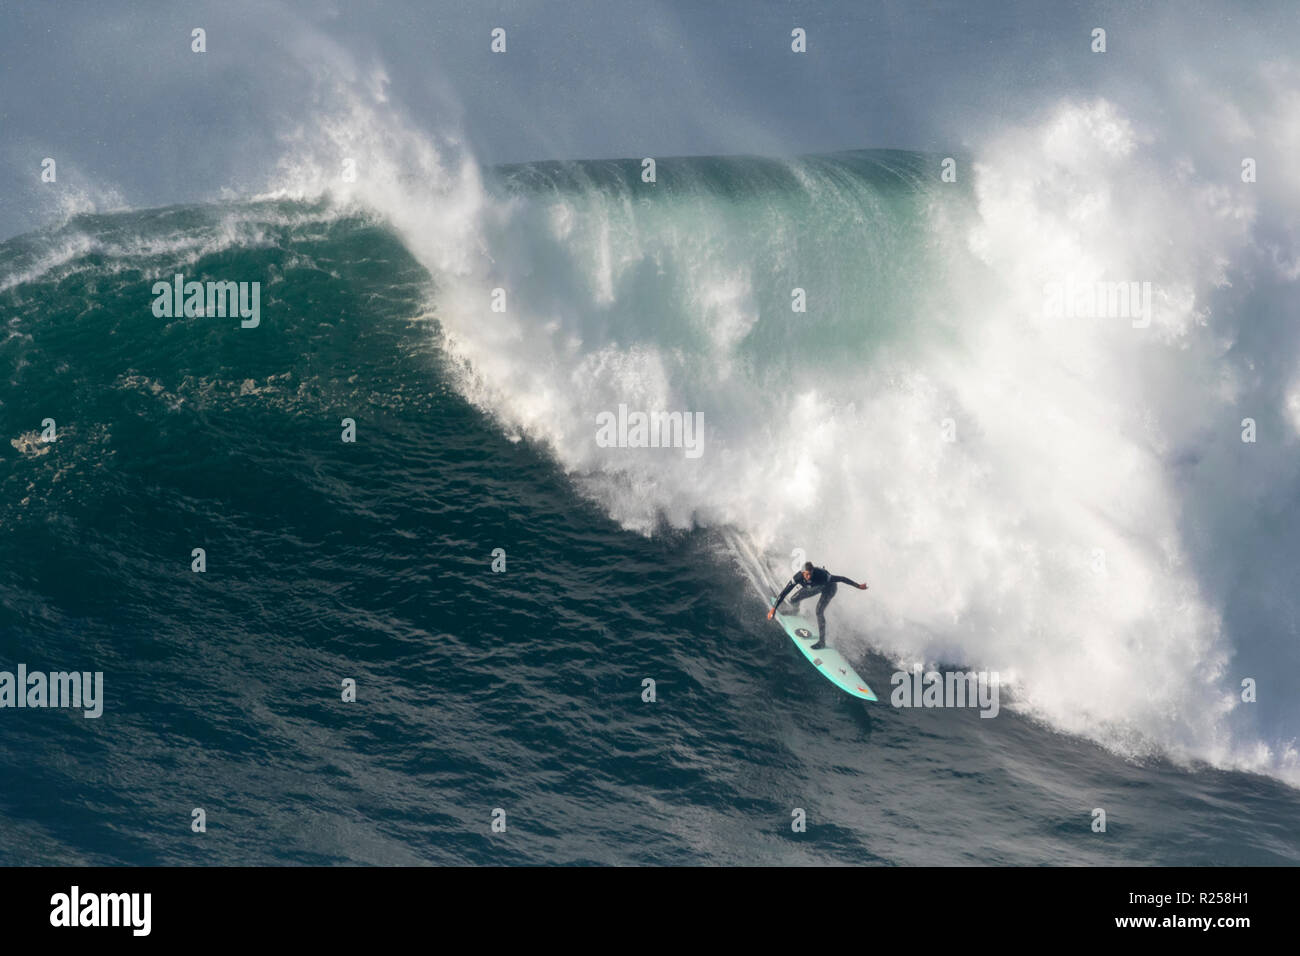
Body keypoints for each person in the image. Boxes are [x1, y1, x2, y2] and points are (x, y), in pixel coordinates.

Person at [767, 561, 868, 650]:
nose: (809, 576)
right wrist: (774, 609)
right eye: (806, 574)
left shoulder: (822, 575)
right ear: (802, 573)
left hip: (829, 588)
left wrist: (858, 586)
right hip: (815, 587)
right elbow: (785, 591)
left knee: (819, 611)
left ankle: (822, 642)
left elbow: (841, 578)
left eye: (810, 574)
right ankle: (795, 610)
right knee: (793, 599)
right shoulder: (798, 577)